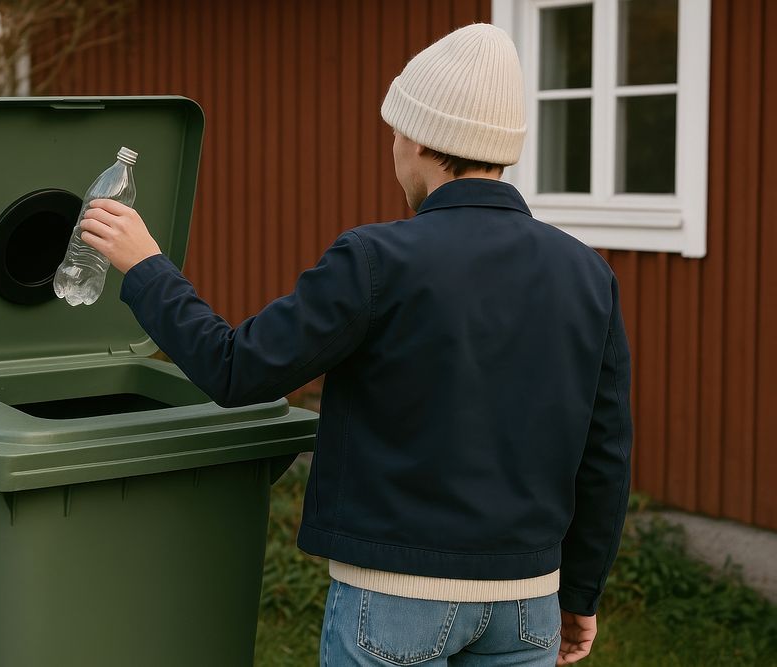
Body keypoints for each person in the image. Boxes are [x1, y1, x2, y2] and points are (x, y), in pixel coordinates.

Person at [79, 22, 632, 667]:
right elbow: (605, 452)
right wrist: (581, 593)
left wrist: (146, 267)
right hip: (527, 604)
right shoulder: (588, 273)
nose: (393, 149)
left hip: (395, 598)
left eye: (395, 132)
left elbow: (238, 370)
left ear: (423, 140)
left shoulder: (376, 260)